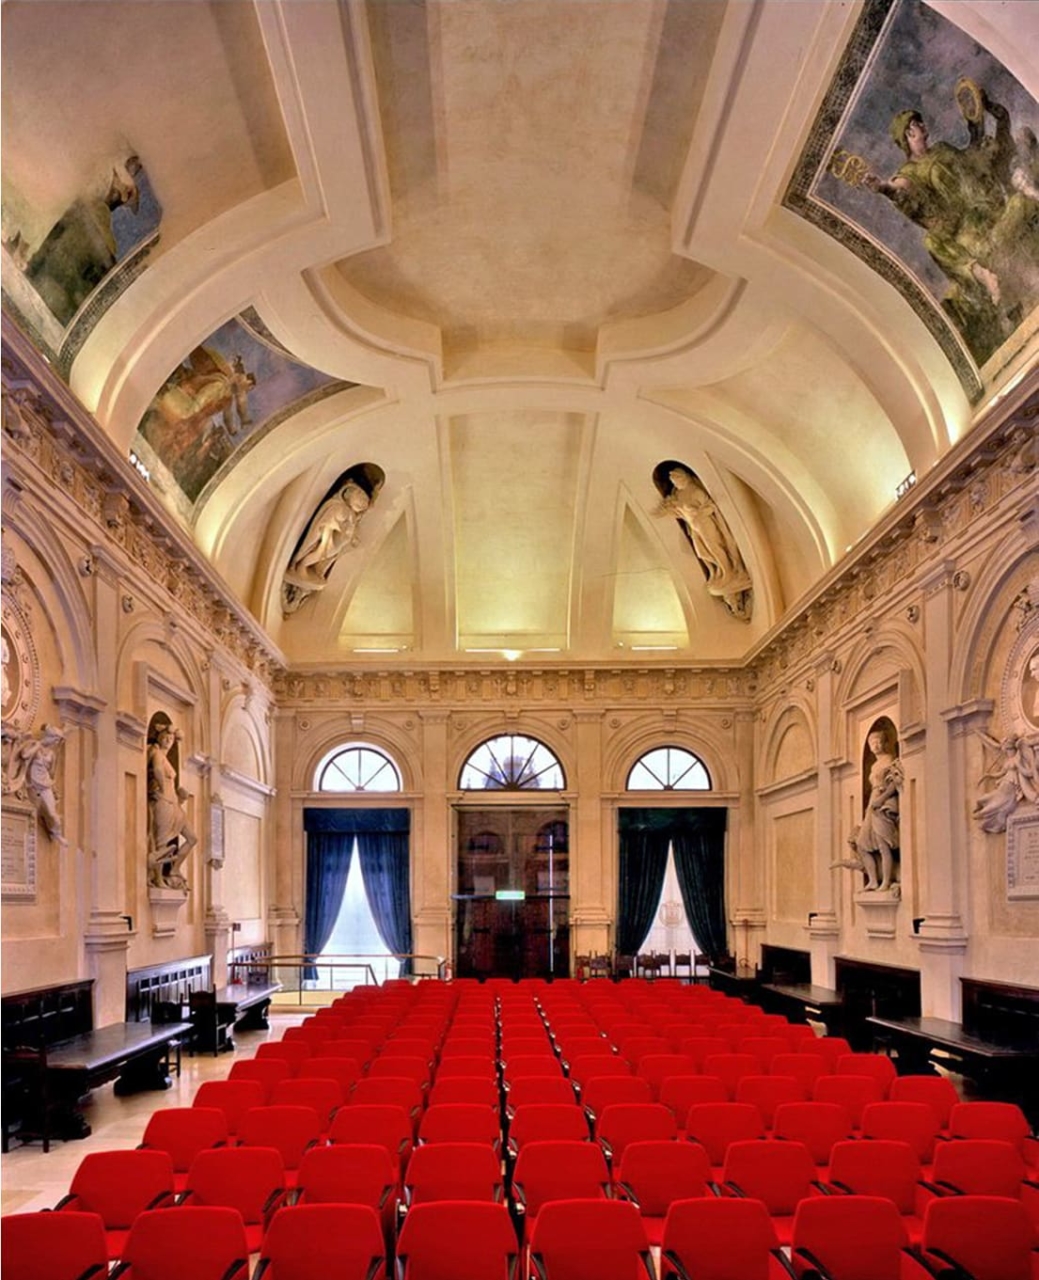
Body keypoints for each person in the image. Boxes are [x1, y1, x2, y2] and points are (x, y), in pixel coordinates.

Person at [859, 82, 1039, 361]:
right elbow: (903, 188)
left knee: (1021, 198)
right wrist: (883, 187)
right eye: (916, 124)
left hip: (988, 212)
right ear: (908, 134)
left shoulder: (942, 149)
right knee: (932, 240)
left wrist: (980, 119)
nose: (922, 125)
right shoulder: (910, 171)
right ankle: (982, 275)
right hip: (967, 232)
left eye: (919, 121)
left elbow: (971, 159)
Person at [656, 466, 752, 619]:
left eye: (677, 479)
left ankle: (727, 571)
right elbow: (680, 511)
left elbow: (709, 506)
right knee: (703, 553)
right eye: (673, 480)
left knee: (715, 548)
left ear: (684, 478)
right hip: (695, 527)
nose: (675, 482)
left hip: (705, 524)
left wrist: (698, 515)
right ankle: (718, 572)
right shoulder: (678, 494)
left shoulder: (696, 491)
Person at [282, 479, 372, 613]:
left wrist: (352, 537)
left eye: (364, 503)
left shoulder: (352, 515)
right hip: (330, 540)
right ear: (349, 496)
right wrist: (326, 541)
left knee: (326, 558)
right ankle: (301, 566)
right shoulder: (340, 508)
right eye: (361, 499)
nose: (363, 504)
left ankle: (310, 568)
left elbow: (351, 530)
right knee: (319, 554)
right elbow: (328, 522)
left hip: (338, 544)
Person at [839, 729, 903, 892]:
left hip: (884, 802)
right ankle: (873, 880)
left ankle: (886, 882)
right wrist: (872, 804)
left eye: (877, 740)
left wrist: (880, 800)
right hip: (872, 804)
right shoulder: (874, 766)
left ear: (884, 742)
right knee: (861, 843)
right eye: (871, 742)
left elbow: (894, 783)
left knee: (883, 844)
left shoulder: (890, 760)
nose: (874, 745)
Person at [147, 725, 196, 889]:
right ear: (159, 738)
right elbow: (158, 770)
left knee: (192, 838)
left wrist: (178, 793)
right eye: (165, 737)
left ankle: (174, 870)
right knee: (162, 843)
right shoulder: (156, 752)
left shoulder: (166, 757)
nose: (168, 741)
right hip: (163, 801)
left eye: (171, 738)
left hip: (174, 803)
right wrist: (161, 788)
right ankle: (158, 878)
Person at [6, 723, 66, 843]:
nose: (55, 743)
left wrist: (58, 753)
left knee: (54, 815)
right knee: (36, 809)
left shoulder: (52, 754)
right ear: (49, 737)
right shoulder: (35, 745)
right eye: (55, 740)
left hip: (46, 786)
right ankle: (47, 819)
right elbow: (24, 755)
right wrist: (37, 746)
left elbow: (52, 773)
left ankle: (55, 832)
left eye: (57, 741)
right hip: (33, 785)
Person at [973, 731, 1038, 835]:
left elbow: (1027, 772)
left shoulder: (1018, 759)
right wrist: (987, 776)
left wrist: (1030, 769)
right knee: (987, 798)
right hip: (1004, 785)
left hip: (1011, 787)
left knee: (995, 804)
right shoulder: (1007, 761)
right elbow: (1000, 774)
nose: (1006, 752)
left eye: (1008, 749)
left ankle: (984, 815)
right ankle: (981, 812)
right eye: (1006, 749)